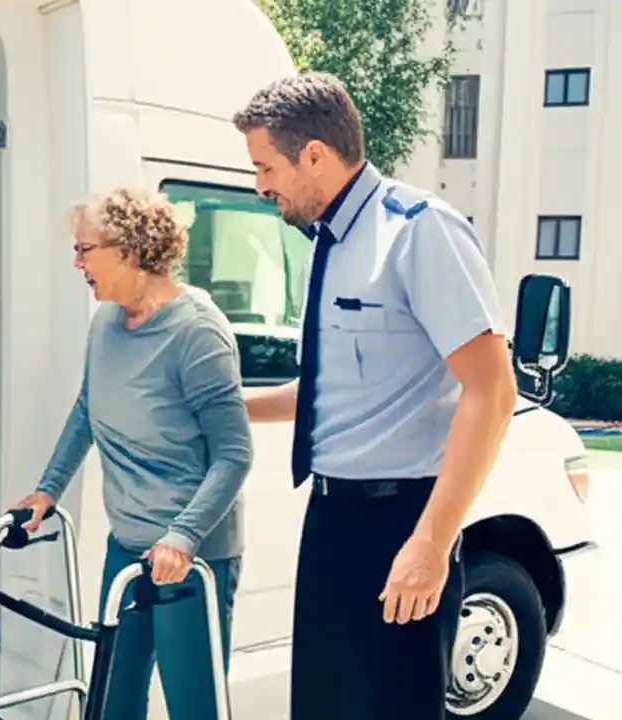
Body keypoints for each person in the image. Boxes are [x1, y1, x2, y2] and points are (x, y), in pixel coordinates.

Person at [230, 72, 518, 719]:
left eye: (265, 167)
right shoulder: (330, 245)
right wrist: (232, 406)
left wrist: (430, 544)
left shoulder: (420, 232)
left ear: (314, 155)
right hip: (332, 520)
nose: (260, 186)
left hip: (402, 523)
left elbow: (492, 390)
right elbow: (329, 389)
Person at [12, 187, 252, 720]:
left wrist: (183, 538)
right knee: (112, 701)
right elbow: (86, 411)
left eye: (84, 249)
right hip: (128, 547)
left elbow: (234, 453)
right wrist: (48, 489)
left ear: (130, 249)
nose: (76, 262)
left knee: (195, 708)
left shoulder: (197, 332)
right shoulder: (105, 323)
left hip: (192, 559)